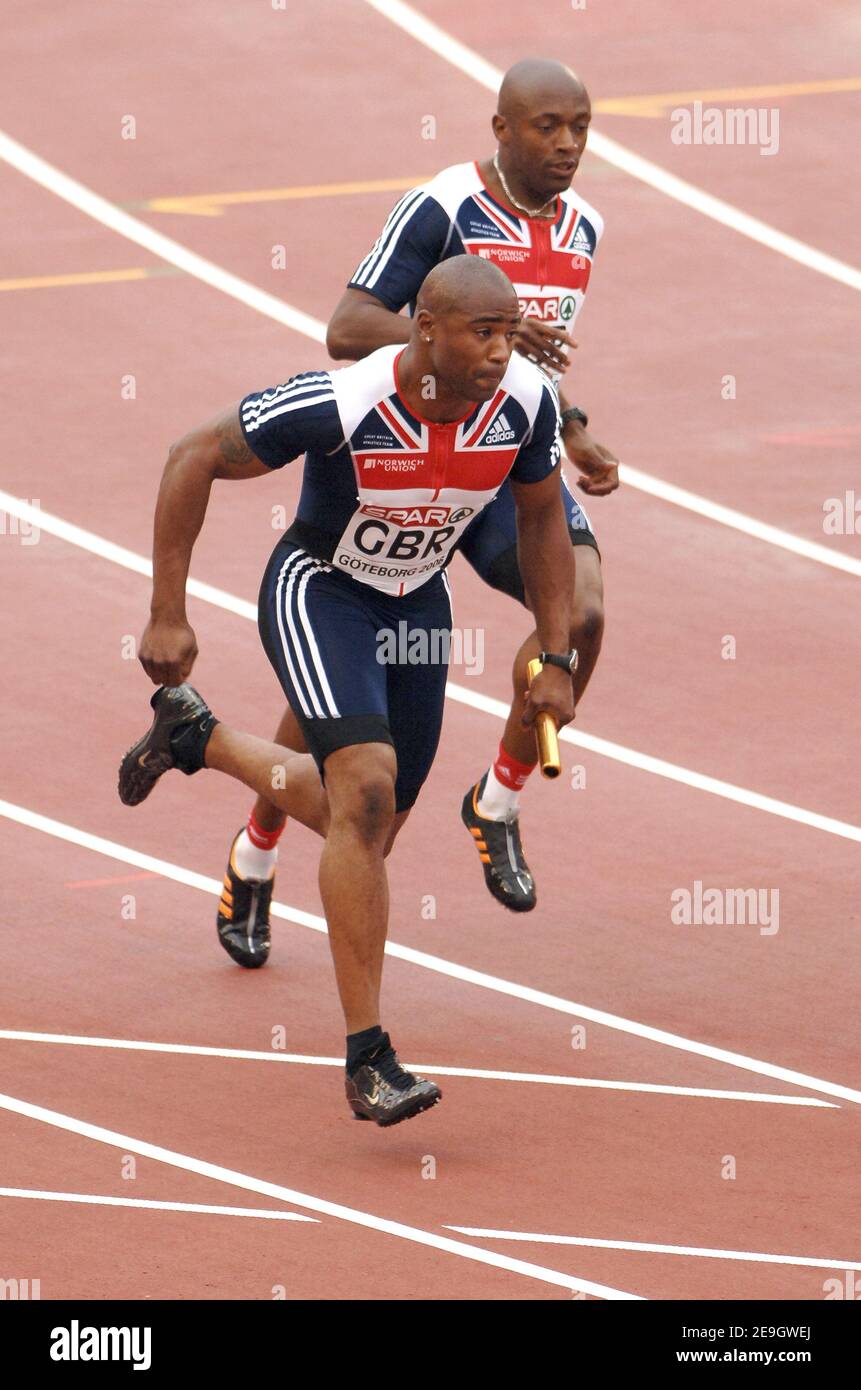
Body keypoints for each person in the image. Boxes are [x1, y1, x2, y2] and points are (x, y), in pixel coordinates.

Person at [119, 256, 576, 1126]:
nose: (500, 352)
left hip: (416, 603)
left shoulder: (524, 403)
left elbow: (543, 516)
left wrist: (554, 653)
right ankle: (369, 1058)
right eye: (484, 333)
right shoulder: (339, 402)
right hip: (320, 588)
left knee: (364, 827)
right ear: (425, 330)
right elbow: (192, 456)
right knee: (361, 792)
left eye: (510, 333)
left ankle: (201, 741)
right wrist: (166, 614)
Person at [219, 59, 620, 961]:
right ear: (500, 130)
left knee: (581, 614)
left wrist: (575, 429)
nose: (567, 146)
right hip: (413, 451)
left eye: (581, 129)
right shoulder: (444, 206)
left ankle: (497, 798)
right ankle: (258, 849)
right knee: (335, 693)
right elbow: (348, 325)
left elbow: (536, 367)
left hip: (504, 456)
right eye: (548, 127)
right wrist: (453, 335)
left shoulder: (586, 228)